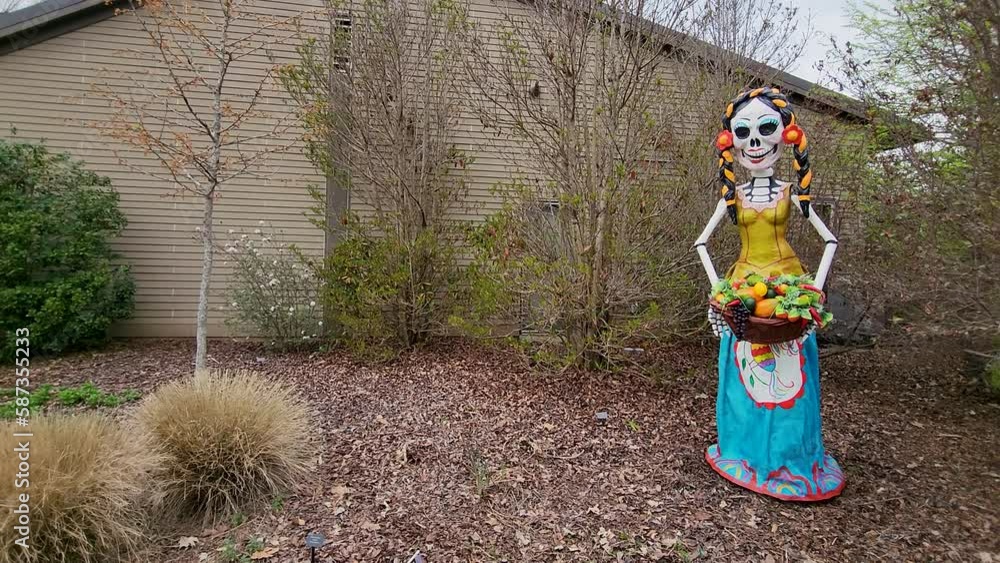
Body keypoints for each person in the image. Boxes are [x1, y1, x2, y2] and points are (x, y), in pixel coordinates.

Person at [692, 87, 845, 501]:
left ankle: (786, 454)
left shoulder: (790, 193)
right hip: (743, 289)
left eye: (765, 129)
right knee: (742, 368)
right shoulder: (734, 197)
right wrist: (719, 287)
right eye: (744, 132)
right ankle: (743, 450)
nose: (755, 142)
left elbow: (829, 241)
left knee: (791, 367)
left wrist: (813, 288)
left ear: (785, 135)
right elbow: (701, 244)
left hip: (786, 289)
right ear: (732, 142)